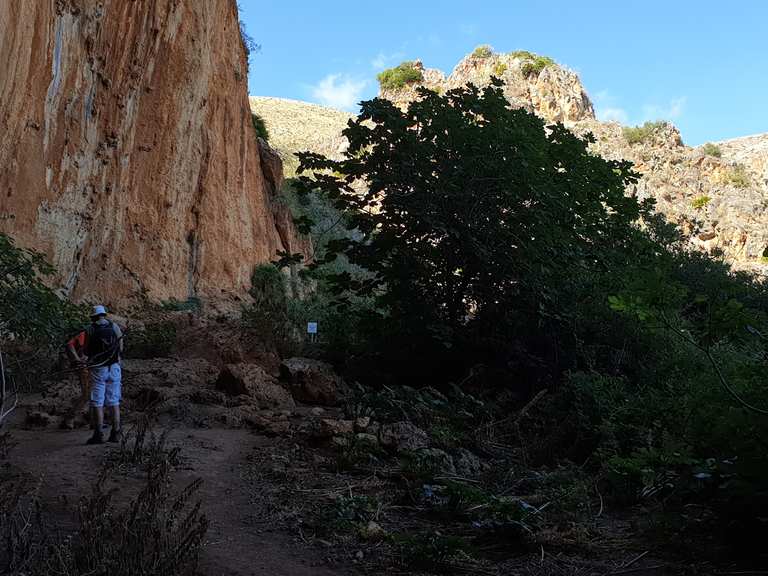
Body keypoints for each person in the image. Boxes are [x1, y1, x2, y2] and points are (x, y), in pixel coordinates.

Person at [67, 305, 124, 445]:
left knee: (97, 402)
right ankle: (116, 433)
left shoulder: (90, 329)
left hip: (99, 369)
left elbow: (86, 351)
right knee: (114, 401)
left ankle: (98, 435)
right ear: (104, 314)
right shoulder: (115, 326)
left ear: (93, 317)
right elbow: (120, 347)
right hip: (115, 367)